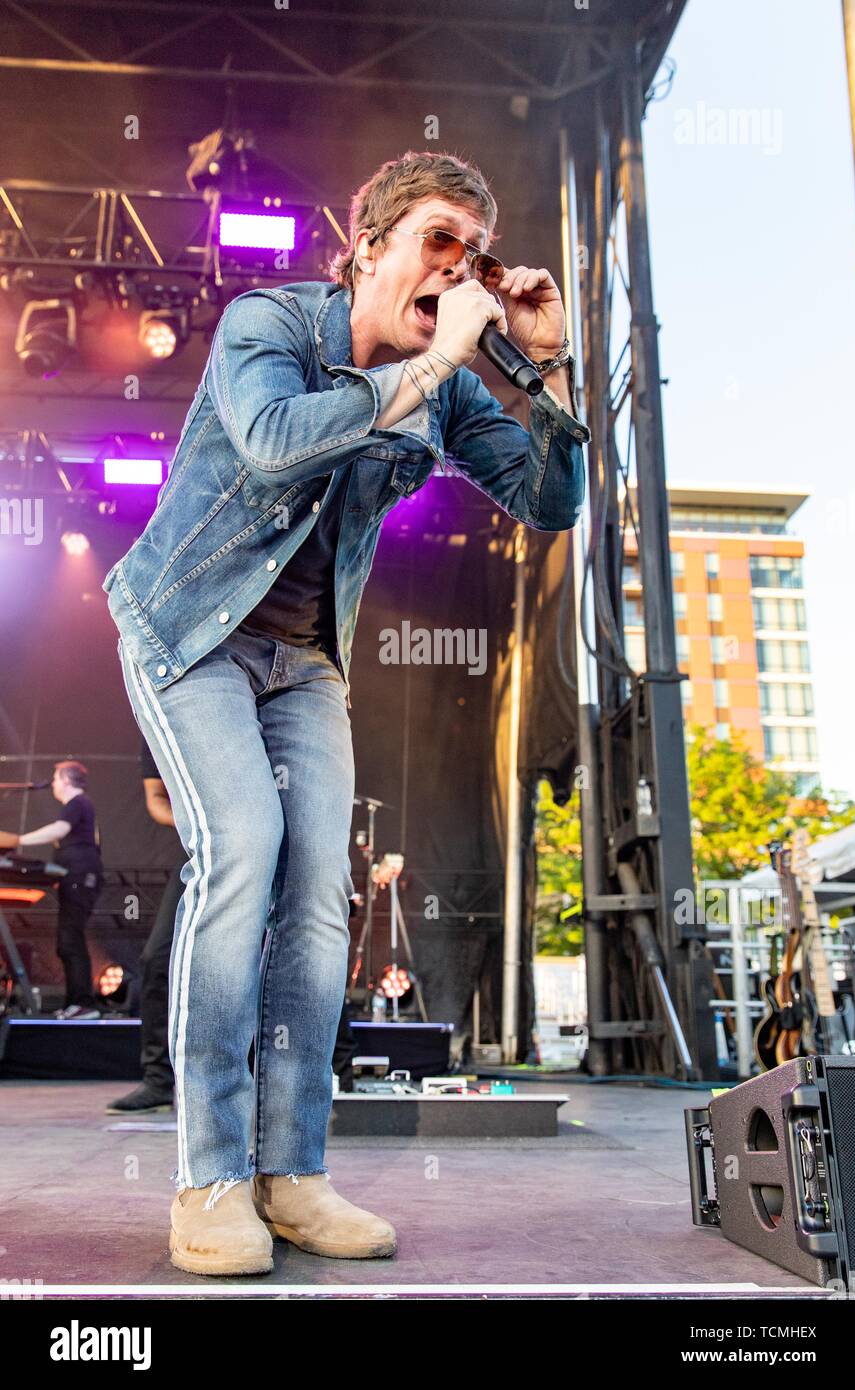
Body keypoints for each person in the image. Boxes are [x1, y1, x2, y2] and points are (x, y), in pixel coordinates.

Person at [101, 149, 588, 1276]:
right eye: (437, 240)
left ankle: (292, 1172)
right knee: (246, 852)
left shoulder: (453, 380)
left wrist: (547, 373)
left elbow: (548, 501)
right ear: (368, 249)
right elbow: (276, 440)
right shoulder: (267, 321)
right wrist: (437, 368)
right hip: (190, 634)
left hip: (307, 660)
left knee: (321, 896)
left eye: (475, 249)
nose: (459, 267)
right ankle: (211, 1177)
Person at [106, 736, 185, 1115]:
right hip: (200, 850)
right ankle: (157, 1082)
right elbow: (157, 799)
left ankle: (339, 1071)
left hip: (265, 843)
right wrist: (196, 821)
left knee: (292, 955)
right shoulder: (156, 719)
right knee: (158, 959)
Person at [0, 761, 103, 1019]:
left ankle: (84, 1004)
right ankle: (75, 1004)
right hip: (77, 876)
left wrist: (19, 840)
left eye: (56, 779)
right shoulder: (82, 807)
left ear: (66, 780)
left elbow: (60, 830)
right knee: (67, 941)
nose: (53, 785)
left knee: (71, 940)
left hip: (81, 876)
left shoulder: (77, 803)